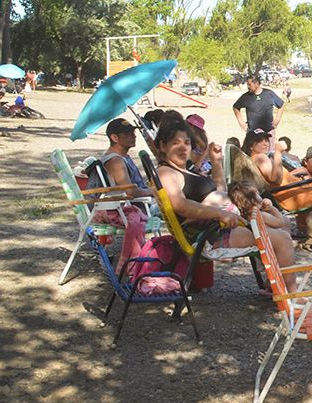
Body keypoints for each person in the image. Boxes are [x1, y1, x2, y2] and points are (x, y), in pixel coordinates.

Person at [154, 119, 297, 291]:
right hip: (210, 235)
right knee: (282, 239)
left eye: (186, 142)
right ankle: (290, 295)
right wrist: (219, 214)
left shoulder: (184, 170)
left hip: (220, 225)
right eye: (175, 143)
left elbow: (219, 190)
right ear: (162, 146)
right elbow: (180, 205)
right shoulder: (166, 172)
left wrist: (216, 163)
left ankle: (273, 283)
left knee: (285, 225)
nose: (183, 147)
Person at [87, 118, 157, 271]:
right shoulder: (115, 161)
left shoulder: (123, 156)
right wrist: (153, 192)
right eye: (128, 133)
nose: (134, 135)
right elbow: (130, 192)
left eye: (133, 132)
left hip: (135, 203)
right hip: (131, 206)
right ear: (115, 138)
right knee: (175, 206)